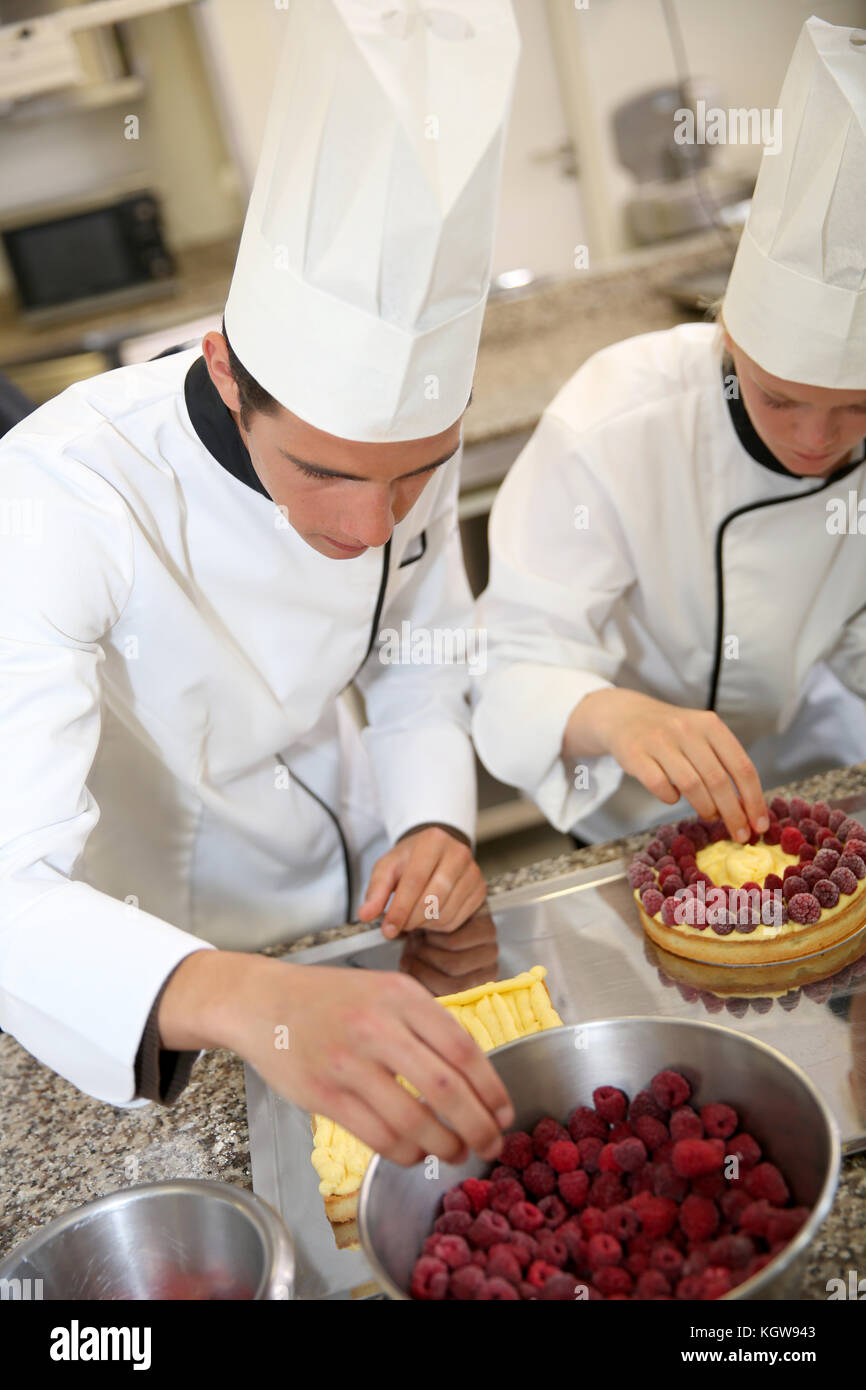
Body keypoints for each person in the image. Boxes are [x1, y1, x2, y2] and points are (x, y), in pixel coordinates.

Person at [0, 0, 521, 1168]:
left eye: (414, 480)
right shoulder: (56, 496)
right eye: (325, 471)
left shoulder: (395, 464)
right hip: (148, 969)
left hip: (351, 909)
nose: (365, 524)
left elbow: (416, 655)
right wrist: (250, 1002)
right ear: (226, 371)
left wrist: (432, 818)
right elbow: (5, 889)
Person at [472, 15, 866, 848]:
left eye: (858, 410)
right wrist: (616, 715)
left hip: (827, 777)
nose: (814, 439)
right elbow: (507, 665)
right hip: (641, 812)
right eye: (778, 398)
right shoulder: (616, 420)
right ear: (727, 337)